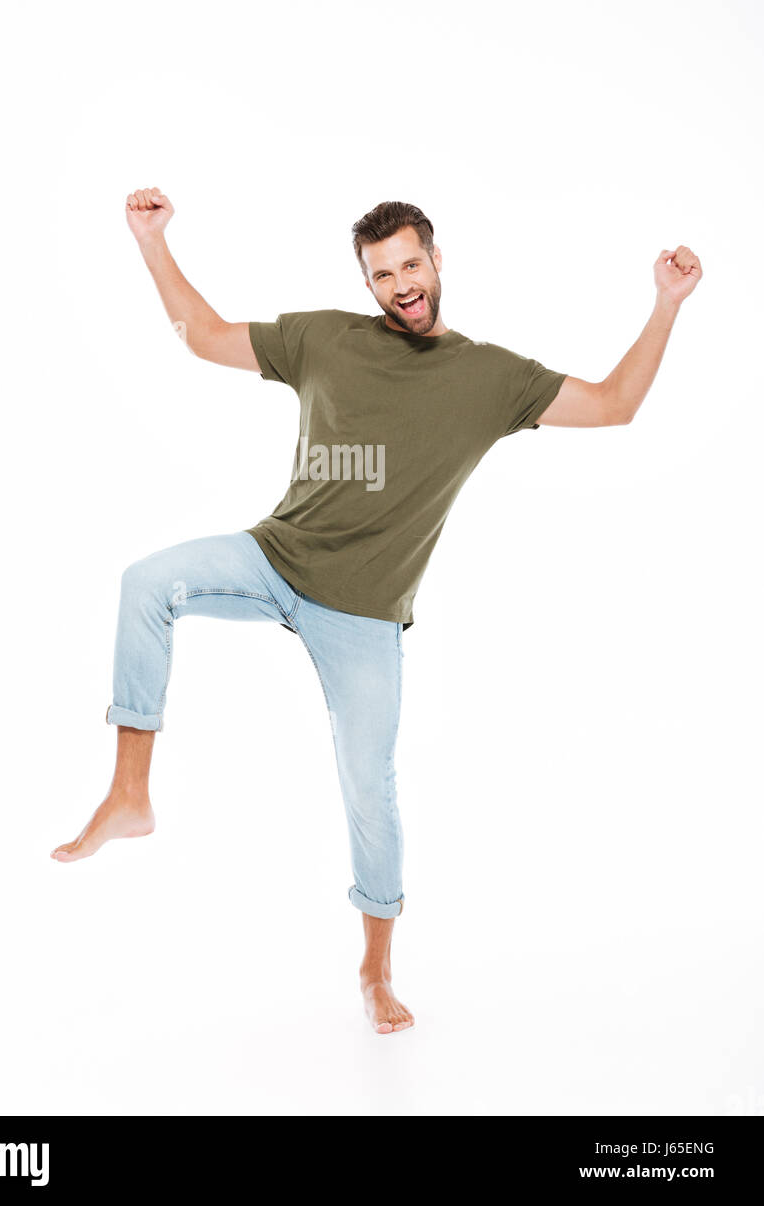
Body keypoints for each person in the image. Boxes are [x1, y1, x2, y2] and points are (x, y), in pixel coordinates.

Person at [51, 189, 703, 1035]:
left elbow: (616, 404)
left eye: (411, 264)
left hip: (361, 615)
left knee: (369, 786)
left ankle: (375, 967)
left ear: (437, 263)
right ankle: (129, 794)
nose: (400, 283)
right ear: (369, 283)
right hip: (274, 559)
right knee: (148, 582)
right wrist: (150, 241)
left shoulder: (491, 379)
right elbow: (205, 338)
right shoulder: (325, 338)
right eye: (382, 272)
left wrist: (666, 304)